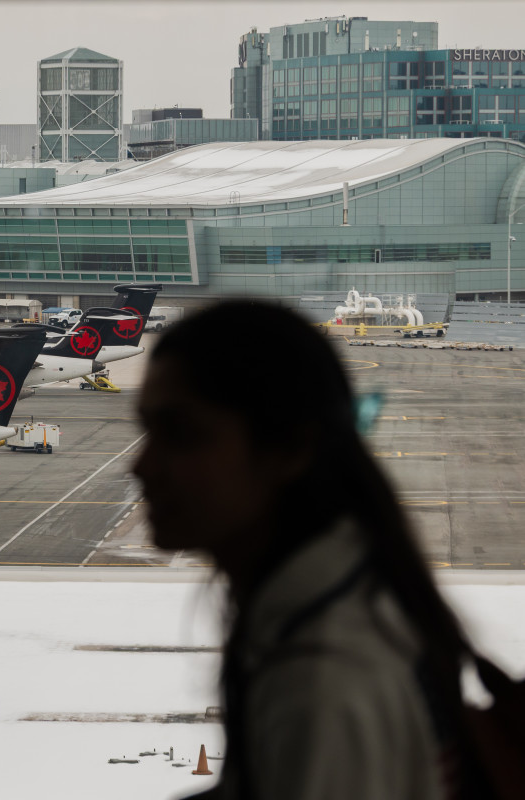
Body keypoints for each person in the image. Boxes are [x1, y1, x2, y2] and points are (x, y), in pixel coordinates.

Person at [133, 301, 482, 800]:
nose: (141, 467)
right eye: (147, 431)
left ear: (290, 449)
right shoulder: (345, 596)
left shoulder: (320, 684)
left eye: (181, 435)